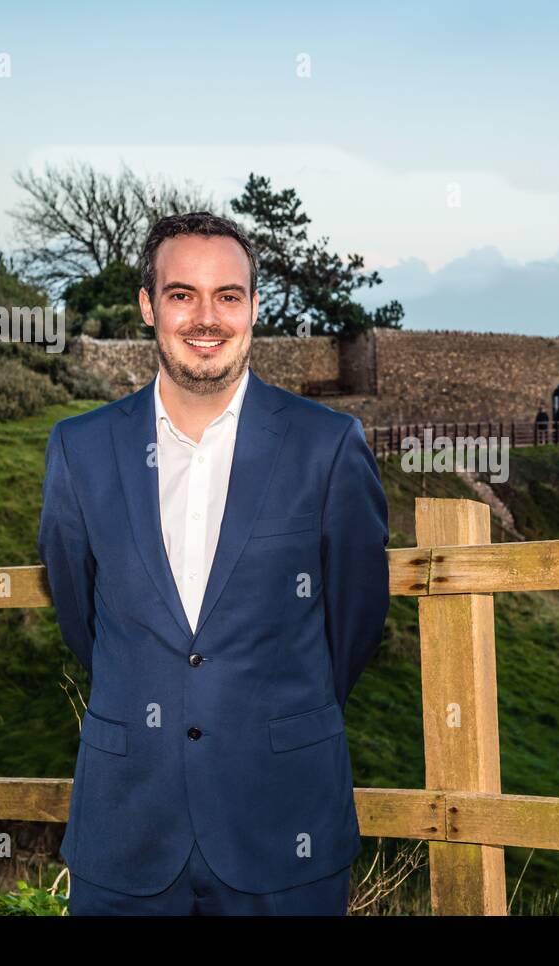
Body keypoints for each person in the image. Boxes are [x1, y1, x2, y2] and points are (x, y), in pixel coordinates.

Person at [38, 211, 390, 915]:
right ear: (148, 306)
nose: (207, 318)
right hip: (126, 830)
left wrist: (267, 714)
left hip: (284, 822)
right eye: (182, 294)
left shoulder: (327, 447)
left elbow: (353, 625)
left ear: (255, 308)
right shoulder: (80, 450)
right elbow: (84, 618)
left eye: (228, 295)